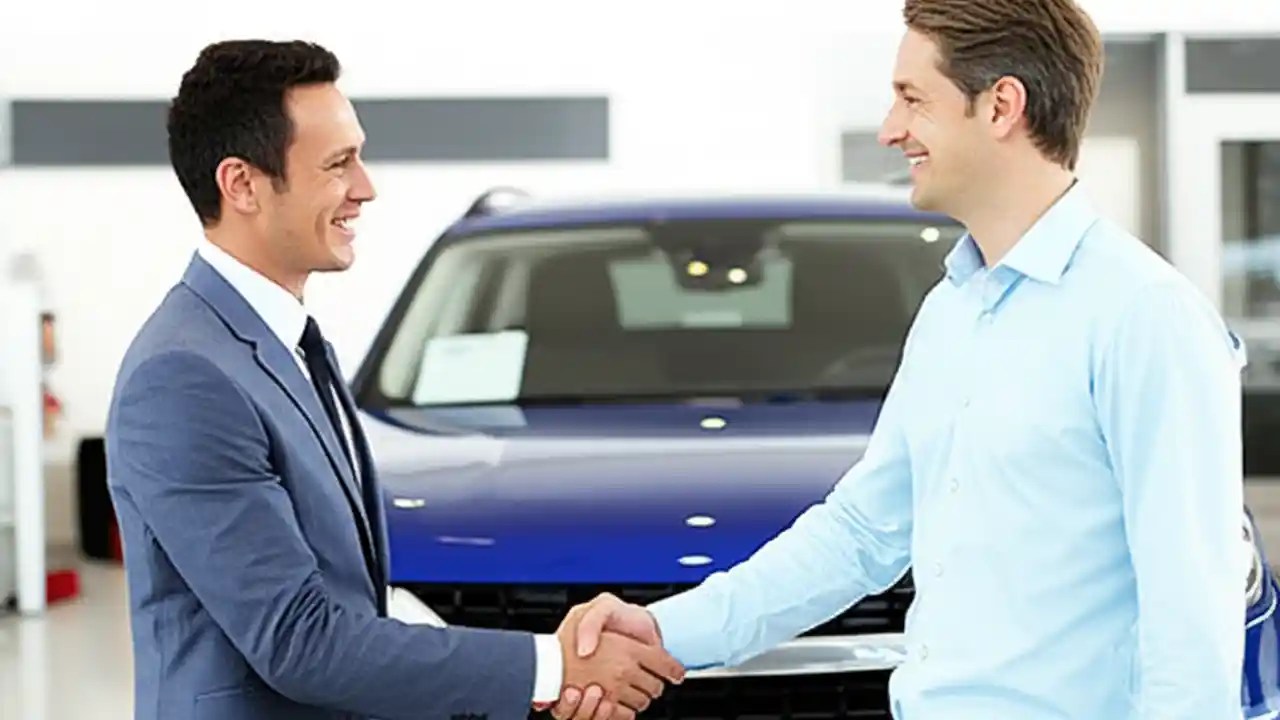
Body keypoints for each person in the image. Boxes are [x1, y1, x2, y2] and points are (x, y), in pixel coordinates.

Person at [552, 1, 1249, 718]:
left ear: (1001, 106)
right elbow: (861, 533)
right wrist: (663, 629)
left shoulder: (1145, 315)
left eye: (913, 99)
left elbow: (1193, 616)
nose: (891, 130)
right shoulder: (952, 310)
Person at [104, 39, 683, 720]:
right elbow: (298, 638)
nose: (365, 187)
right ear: (242, 184)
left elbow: (353, 605)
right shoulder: (184, 379)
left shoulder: (285, 346)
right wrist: (554, 666)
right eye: (337, 164)